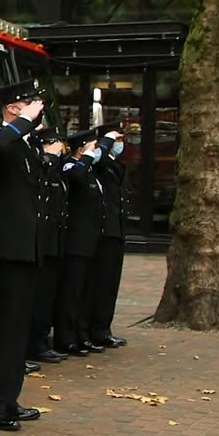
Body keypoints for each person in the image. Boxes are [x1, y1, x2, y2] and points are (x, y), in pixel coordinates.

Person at [0, 80, 46, 433]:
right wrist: (23, 124)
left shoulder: (26, 143)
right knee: (1, 329)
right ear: (14, 107)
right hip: (5, 249)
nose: (39, 110)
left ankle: (8, 397)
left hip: (26, 248)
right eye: (31, 104)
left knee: (18, 329)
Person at [55, 130, 106, 357]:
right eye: (93, 146)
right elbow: (74, 176)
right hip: (75, 241)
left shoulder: (91, 172)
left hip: (91, 240)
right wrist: (86, 156)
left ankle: (81, 334)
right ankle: (66, 337)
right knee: (72, 291)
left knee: (86, 291)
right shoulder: (72, 167)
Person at [27, 128, 70, 365]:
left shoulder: (55, 170)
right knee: (34, 298)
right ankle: (33, 343)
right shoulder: (43, 165)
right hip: (39, 242)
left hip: (53, 241)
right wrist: (49, 158)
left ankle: (40, 340)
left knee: (46, 297)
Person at [90, 124, 129, 349]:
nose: (121, 143)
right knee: (100, 283)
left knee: (110, 284)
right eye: (117, 139)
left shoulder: (115, 164)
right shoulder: (99, 160)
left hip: (116, 230)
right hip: (103, 231)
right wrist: (104, 142)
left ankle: (104, 327)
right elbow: (98, 159)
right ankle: (96, 329)